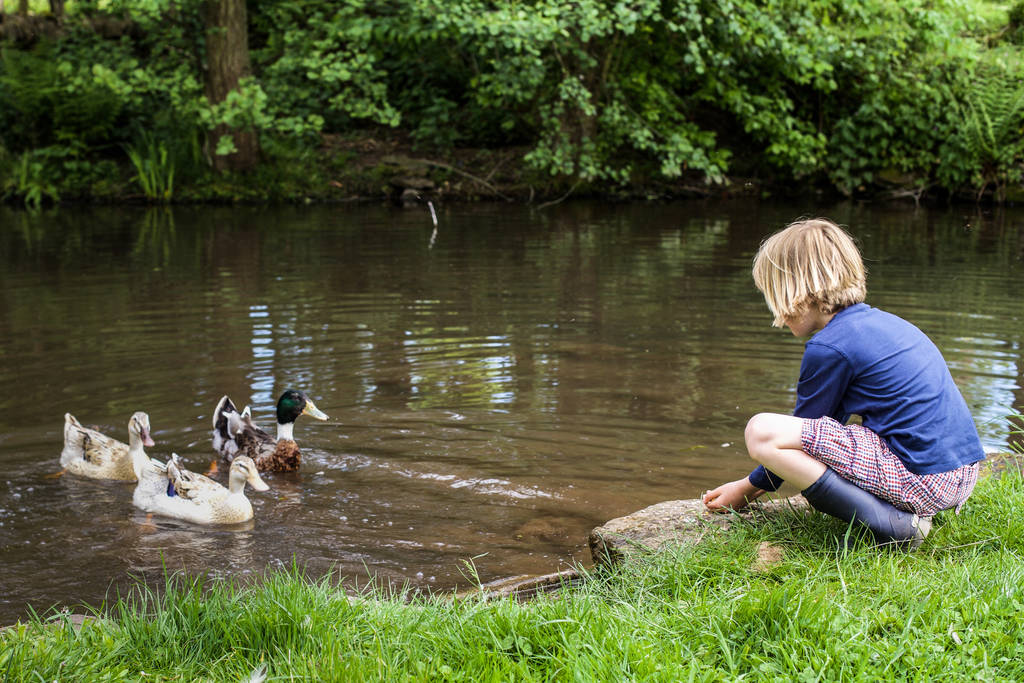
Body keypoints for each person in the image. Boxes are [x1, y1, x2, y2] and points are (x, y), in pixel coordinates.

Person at [701, 218, 985, 548]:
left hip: (925, 482)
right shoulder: (889, 324)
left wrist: (747, 489)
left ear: (797, 290)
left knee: (761, 431)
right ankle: (901, 514)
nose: (774, 310)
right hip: (961, 474)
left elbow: (799, 436)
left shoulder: (829, 347)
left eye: (773, 294)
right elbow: (823, 434)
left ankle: (896, 527)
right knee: (807, 436)